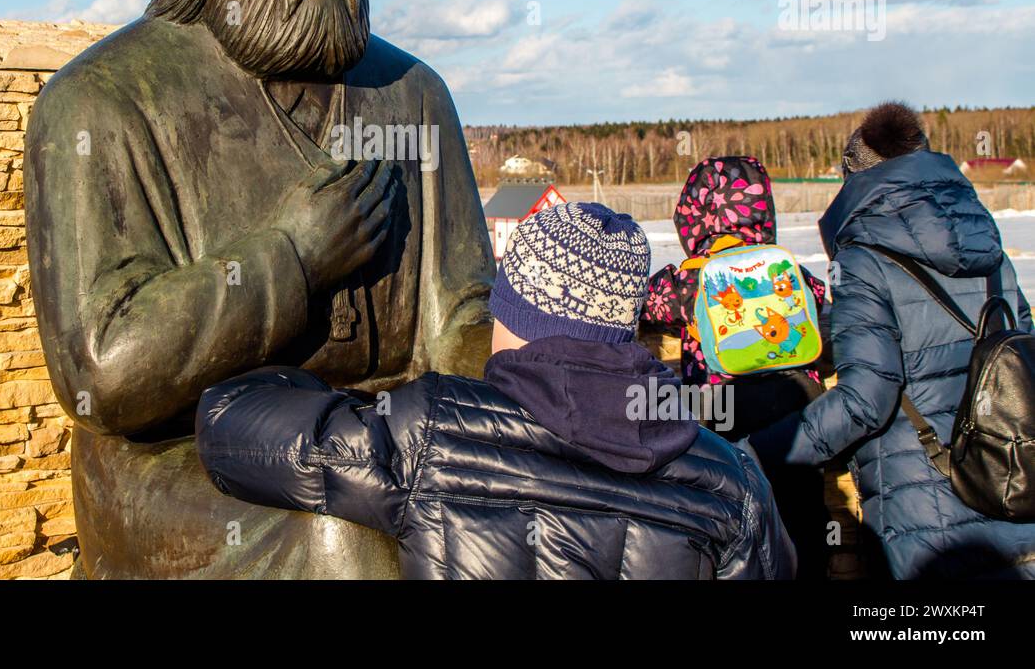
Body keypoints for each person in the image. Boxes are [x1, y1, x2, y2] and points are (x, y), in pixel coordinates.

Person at [25, 0, 493, 577]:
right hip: (189, 458)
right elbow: (103, 370)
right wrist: (292, 259)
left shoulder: (413, 93)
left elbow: (465, 309)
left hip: (391, 442)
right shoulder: (101, 102)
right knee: (345, 536)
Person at [197, 202, 795, 579]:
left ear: (519, 317)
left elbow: (228, 426)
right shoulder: (733, 486)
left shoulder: (431, 434)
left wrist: (310, 385)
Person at [749, 102, 1035, 579]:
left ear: (854, 179)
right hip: (1010, 483)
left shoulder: (865, 257)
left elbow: (865, 401)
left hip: (928, 508)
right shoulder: (989, 247)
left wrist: (761, 450)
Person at [642, 155, 832, 578]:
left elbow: (651, 305)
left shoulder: (692, 280)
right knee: (802, 516)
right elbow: (818, 298)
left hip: (725, 411)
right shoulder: (788, 271)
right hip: (797, 406)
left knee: (739, 523)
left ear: (692, 216)